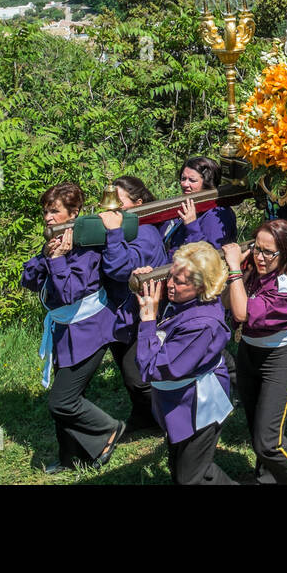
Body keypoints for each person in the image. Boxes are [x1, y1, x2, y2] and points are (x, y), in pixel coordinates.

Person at [22, 182, 123, 474]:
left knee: (62, 401)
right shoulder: (55, 243)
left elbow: (69, 292)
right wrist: (46, 255)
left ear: (74, 213)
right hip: (63, 330)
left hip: (89, 330)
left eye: (55, 211)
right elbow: (28, 280)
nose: (48, 218)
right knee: (63, 400)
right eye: (45, 212)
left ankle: (109, 429)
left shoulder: (87, 247)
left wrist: (57, 260)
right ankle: (71, 458)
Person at [221, 220, 287, 485]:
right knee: (256, 427)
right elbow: (228, 301)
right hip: (249, 353)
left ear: (285, 253)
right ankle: (267, 477)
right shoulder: (251, 270)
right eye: (256, 249)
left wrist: (235, 269)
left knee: (269, 440)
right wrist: (239, 271)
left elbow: (241, 313)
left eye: (268, 252)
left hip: (280, 359)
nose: (260, 258)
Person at [135, 241, 235, 485]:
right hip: (178, 400)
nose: (169, 285)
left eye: (179, 282)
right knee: (184, 466)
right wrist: (144, 282)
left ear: (202, 285)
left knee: (189, 477)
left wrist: (148, 321)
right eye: (170, 276)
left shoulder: (202, 325)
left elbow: (152, 368)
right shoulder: (185, 301)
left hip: (198, 403)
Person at [99, 175, 170, 435]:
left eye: (119, 202)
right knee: (124, 366)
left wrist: (113, 232)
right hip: (120, 312)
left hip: (142, 312)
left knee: (137, 375)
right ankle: (143, 416)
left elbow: (119, 269)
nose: (110, 208)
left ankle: (167, 418)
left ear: (139, 204)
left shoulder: (146, 233)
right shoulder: (126, 227)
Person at [162, 156, 237, 254]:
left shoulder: (216, 214)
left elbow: (210, 256)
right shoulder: (188, 205)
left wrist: (191, 225)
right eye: (183, 179)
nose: (185, 184)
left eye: (192, 180)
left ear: (207, 183)